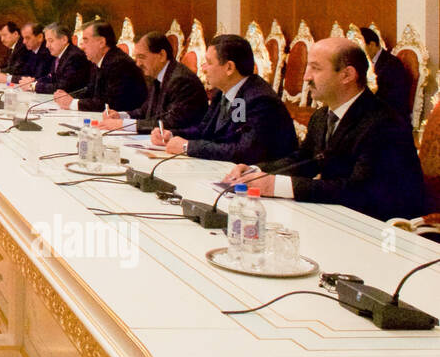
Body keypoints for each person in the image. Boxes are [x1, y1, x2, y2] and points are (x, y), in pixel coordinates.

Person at [224, 38, 426, 221]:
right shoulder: (322, 116)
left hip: (384, 229)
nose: (306, 77)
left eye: (315, 68)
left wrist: (275, 185)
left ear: (347, 75)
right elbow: (304, 159)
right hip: (340, 216)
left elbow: (359, 190)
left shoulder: (383, 123)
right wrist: (257, 171)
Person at [150, 33, 297, 163]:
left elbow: (243, 151)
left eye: (208, 62)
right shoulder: (223, 91)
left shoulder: (259, 100)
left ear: (229, 68)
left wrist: (187, 146)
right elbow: (204, 130)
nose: (203, 68)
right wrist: (172, 134)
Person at [98, 30, 207, 133]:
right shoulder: (159, 75)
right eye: (136, 58)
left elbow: (169, 123)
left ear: (162, 55)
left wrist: (122, 125)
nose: (138, 64)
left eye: (142, 57)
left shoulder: (181, 80)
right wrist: (121, 116)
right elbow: (146, 111)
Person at [55, 20, 145, 112]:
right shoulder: (100, 61)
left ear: (102, 42)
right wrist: (67, 98)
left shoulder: (119, 64)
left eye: (86, 41)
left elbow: (109, 104)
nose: (82, 46)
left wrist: (72, 103)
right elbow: (90, 93)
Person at [361, 27, 413, 125]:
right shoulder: (364, 63)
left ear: (371, 45)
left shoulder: (391, 64)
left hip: (391, 117)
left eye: (361, 47)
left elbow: (392, 99)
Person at [29, 22, 91, 95]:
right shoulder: (59, 54)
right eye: (46, 41)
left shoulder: (75, 56)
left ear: (64, 40)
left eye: (51, 41)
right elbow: (52, 77)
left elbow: (64, 87)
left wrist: (36, 86)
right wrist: (34, 81)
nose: (47, 45)